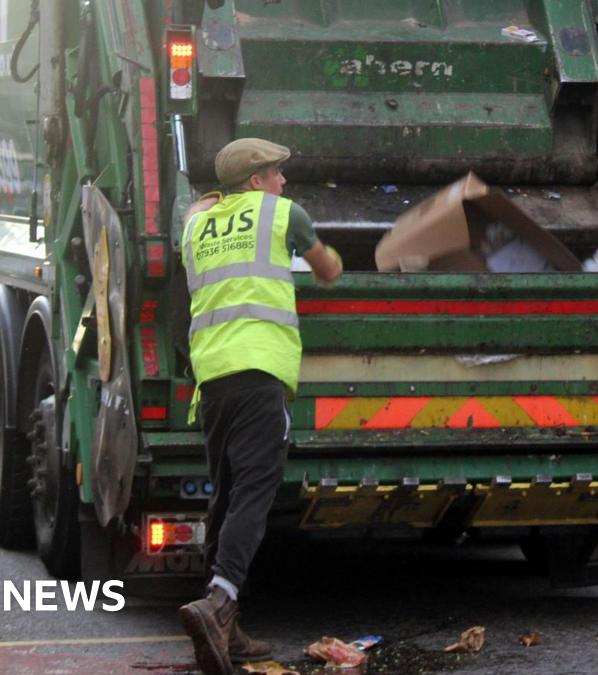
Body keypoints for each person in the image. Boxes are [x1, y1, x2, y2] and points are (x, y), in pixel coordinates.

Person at [177, 138, 343, 675]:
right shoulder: (282, 214)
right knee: (255, 489)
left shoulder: (195, 226)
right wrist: (335, 257)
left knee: (225, 495)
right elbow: (327, 270)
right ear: (255, 182)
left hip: (212, 380)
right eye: (275, 172)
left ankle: (228, 625)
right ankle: (220, 601)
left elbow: (199, 206)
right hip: (261, 371)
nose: (283, 181)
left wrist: (212, 200)